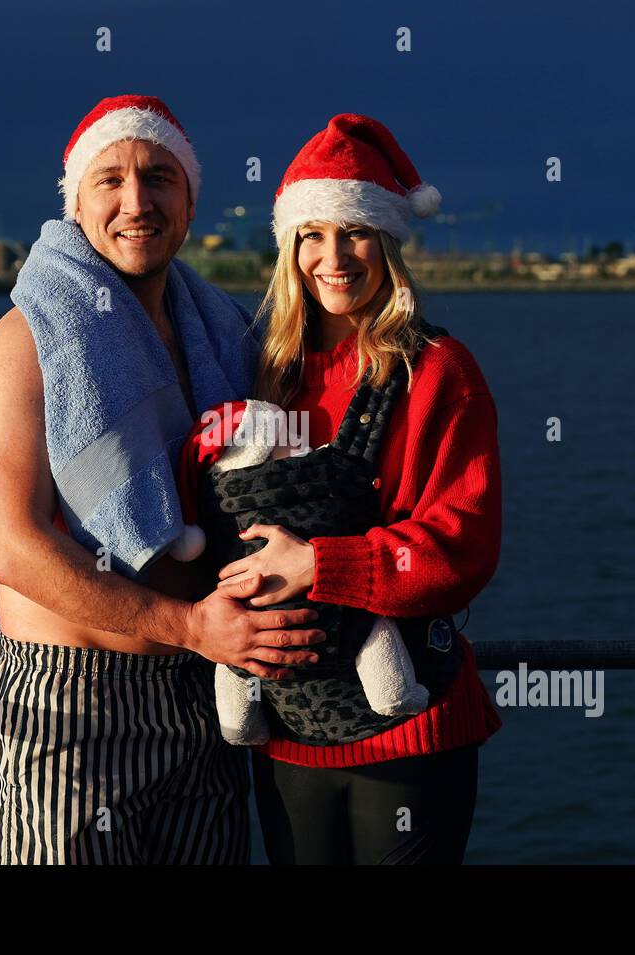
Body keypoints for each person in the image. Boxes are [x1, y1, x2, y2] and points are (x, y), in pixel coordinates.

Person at [0, 94, 325, 864]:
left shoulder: (221, 334)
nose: (137, 201)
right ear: (76, 202)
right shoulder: (25, 341)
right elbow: (10, 546)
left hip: (204, 700)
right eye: (111, 180)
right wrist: (190, 626)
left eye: (159, 177)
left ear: (190, 200)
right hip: (73, 706)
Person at [212, 113, 505, 864]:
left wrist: (320, 566)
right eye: (312, 233)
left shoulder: (439, 370)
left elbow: (464, 546)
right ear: (289, 247)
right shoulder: (267, 372)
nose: (333, 256)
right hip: (288, 727)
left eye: (356, 232)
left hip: (409, 729)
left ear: (390, 242)